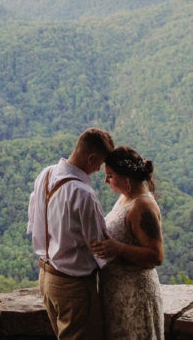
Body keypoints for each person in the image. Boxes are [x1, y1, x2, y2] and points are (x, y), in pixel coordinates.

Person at [29, 128, 115, 340]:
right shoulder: (83, 194)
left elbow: (33, 222)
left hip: (46, 276)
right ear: (91, 158)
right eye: (99, 164)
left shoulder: (45, 174)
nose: (98, 170)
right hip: (73, 286)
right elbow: (99, 248)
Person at [90, 146, 164, 340]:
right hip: (118, 294)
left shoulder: (143, 206)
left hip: (136, 296)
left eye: (110, 175)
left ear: (127, 177)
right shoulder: (125, 198)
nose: (106, 180)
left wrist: (117, 248)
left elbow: (156, 256)